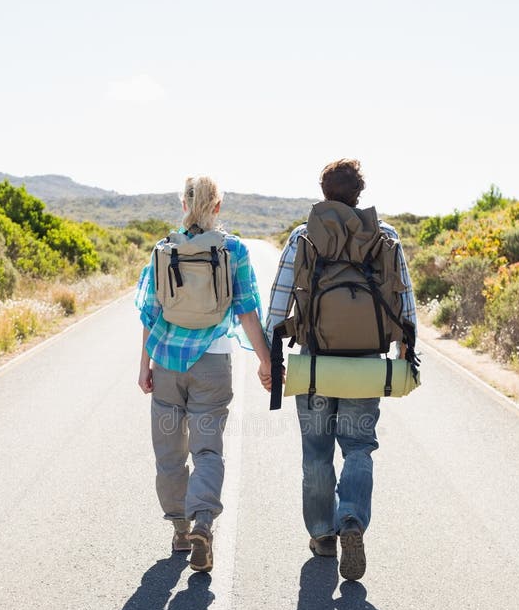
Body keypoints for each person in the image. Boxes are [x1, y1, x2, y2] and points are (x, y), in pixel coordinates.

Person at [265, 159, 417, 581]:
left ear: (324, 190)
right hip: (366, 364)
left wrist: (270, 362)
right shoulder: (386, 237)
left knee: (316, 452)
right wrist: (408, 352)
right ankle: (351, 518)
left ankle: (322, 535)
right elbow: (405, 305)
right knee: (359, 446)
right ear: (359, 193)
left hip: (314, 361)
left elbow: (278, 306)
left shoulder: (303, 236)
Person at [136, 175, 270, 573]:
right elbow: (247, 311)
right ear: (218, 207)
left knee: (169, 451)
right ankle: (203, 522)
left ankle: (180, 529)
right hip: (213, 362)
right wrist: (265, 360)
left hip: (167, 364)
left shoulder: (164, 249)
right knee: (208, 449)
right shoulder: (234, 250)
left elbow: (150, 312)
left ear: (183, 204)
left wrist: (144, 365)